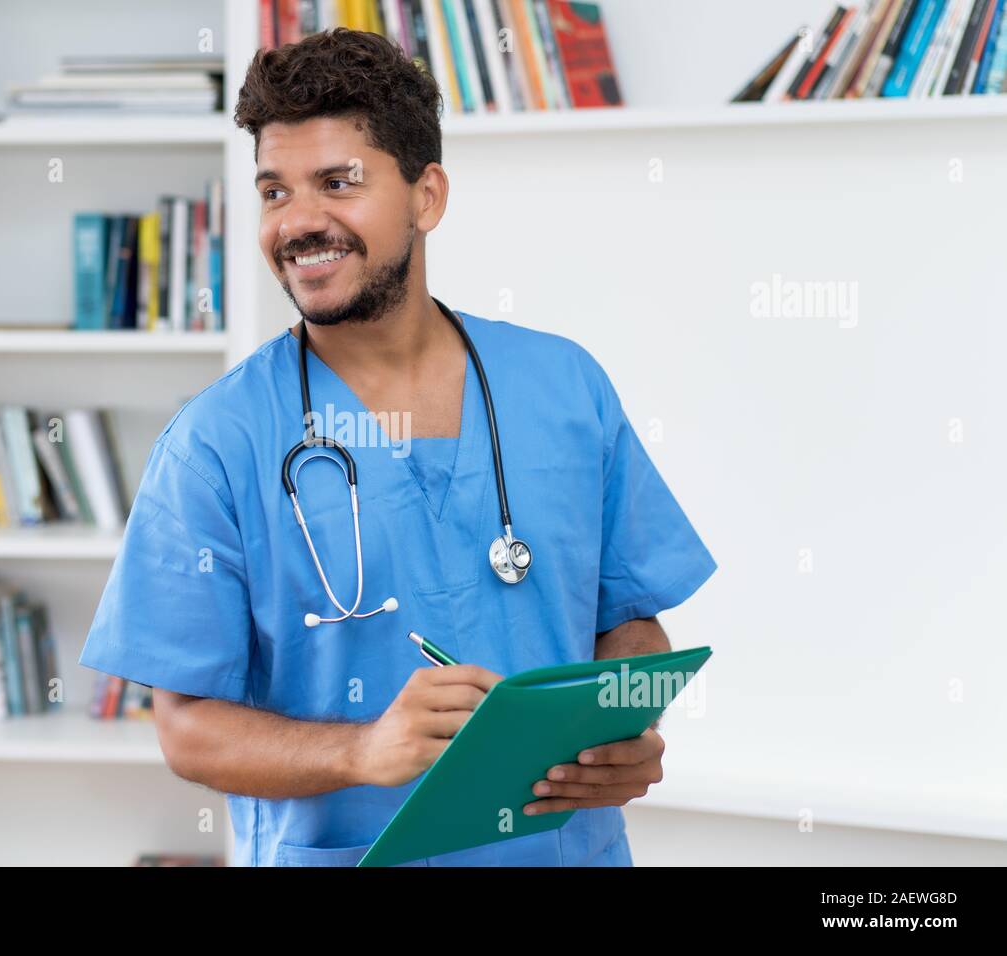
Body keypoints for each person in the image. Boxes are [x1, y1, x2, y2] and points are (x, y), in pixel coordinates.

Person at [79, 28, 716, 867]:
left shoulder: (563, 388)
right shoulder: (216, 443)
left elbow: (630, 621)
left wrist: (624, 730)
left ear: (427, 197)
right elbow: (187, 728)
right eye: (275, 191)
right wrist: (360, 750)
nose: (298, 222)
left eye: (337, 183)